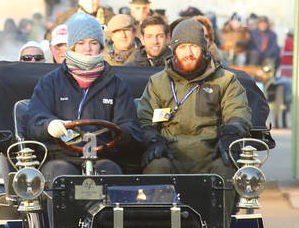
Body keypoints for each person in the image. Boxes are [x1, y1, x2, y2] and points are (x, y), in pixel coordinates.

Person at [25, 12, 144, 182]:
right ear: (72, 46)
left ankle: (109, 209)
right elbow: (34, 121)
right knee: (60, 176)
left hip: (104, 156)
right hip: (61, 156)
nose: (87, 49)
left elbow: (131, 127)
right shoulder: (50, 82)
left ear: (101, 46)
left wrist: (119, 133)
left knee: (109, 172)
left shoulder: (116, 84)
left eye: (93, 43)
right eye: (80, 43)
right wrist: (49, 125)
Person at [137, 18, 251, 174]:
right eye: (182, 47)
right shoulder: (158, 82)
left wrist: (231, 133)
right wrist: (153, 140)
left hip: (212, 155)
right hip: (170, 155)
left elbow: (238, 112)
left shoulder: (225, 80)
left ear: (204, 49)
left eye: (194, 47)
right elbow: (144, 119)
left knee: (226, 169)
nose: (188, 53)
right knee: (156, 167)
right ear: (174, 50)